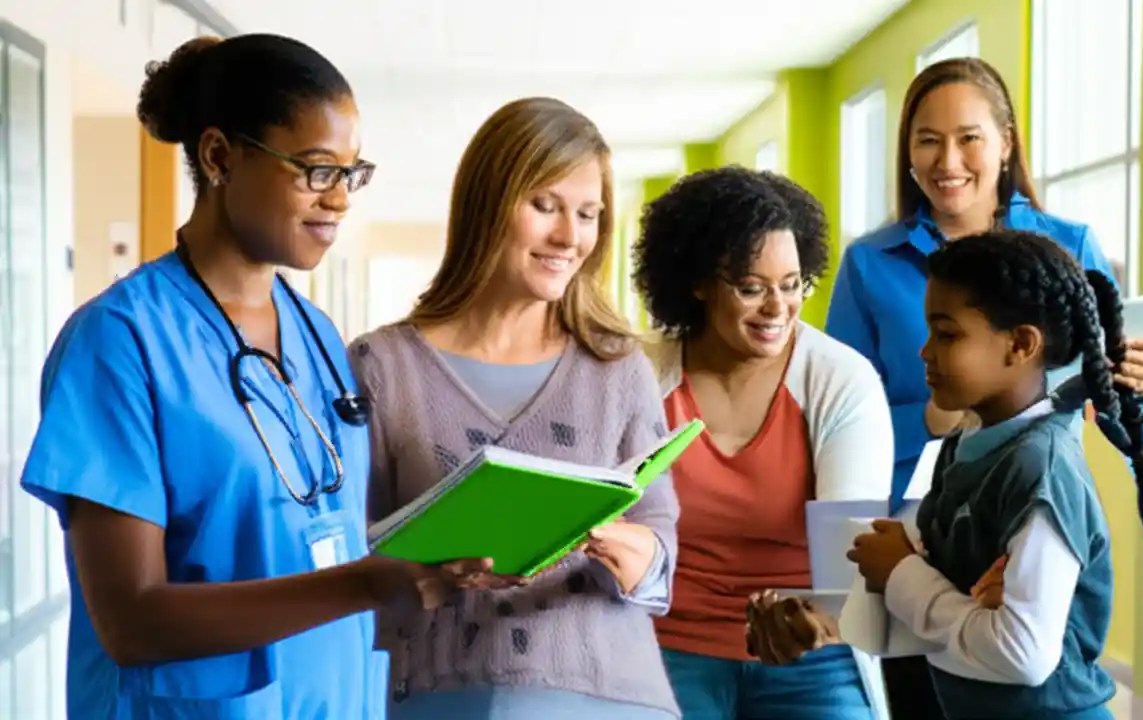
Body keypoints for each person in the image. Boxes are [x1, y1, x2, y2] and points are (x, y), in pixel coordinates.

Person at [18, 34, 499, 719]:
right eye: (315, 170)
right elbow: (130, 621)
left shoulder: (317, 334)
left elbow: (318, 519)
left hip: (332, 696)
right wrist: (363, 585)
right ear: (219, 156)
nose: (339, 201)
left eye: (351, 174)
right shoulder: (119, 343)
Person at [823, 57, 1143, 717]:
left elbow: (1119, 419)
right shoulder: (871, 264)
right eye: (926, 139)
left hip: (1019, 525)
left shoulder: (1068, 250)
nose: (947, 158)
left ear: (1007, 142)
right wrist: (927, 420)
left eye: (969, 136)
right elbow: (841, 418)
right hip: (920, 531)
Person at [348, 96, 681, 719]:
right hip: (436, 699)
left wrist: (624, 547)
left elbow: (660, 546)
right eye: (545, 206)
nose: (569, 237)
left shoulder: (619, 370)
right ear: (487, 204)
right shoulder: (381, 367)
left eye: (587, 214)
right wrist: (432, 567)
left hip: (608, 698)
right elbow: (349, 556)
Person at [849, 229, 1143, 720]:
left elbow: (1023, 655)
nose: (924, 352)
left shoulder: (1039, 465)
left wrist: (902, 574)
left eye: (946, 334)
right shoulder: (967, 439)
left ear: (1020, 344)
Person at [632, 165, 894, 720]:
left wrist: (810, 625)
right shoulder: (640, 377)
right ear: (699, 282)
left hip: (811, 644)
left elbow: (853, 556)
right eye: (752, 288)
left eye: (792, 284)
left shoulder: (840, 380)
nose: (778, 308)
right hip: (668, 643)